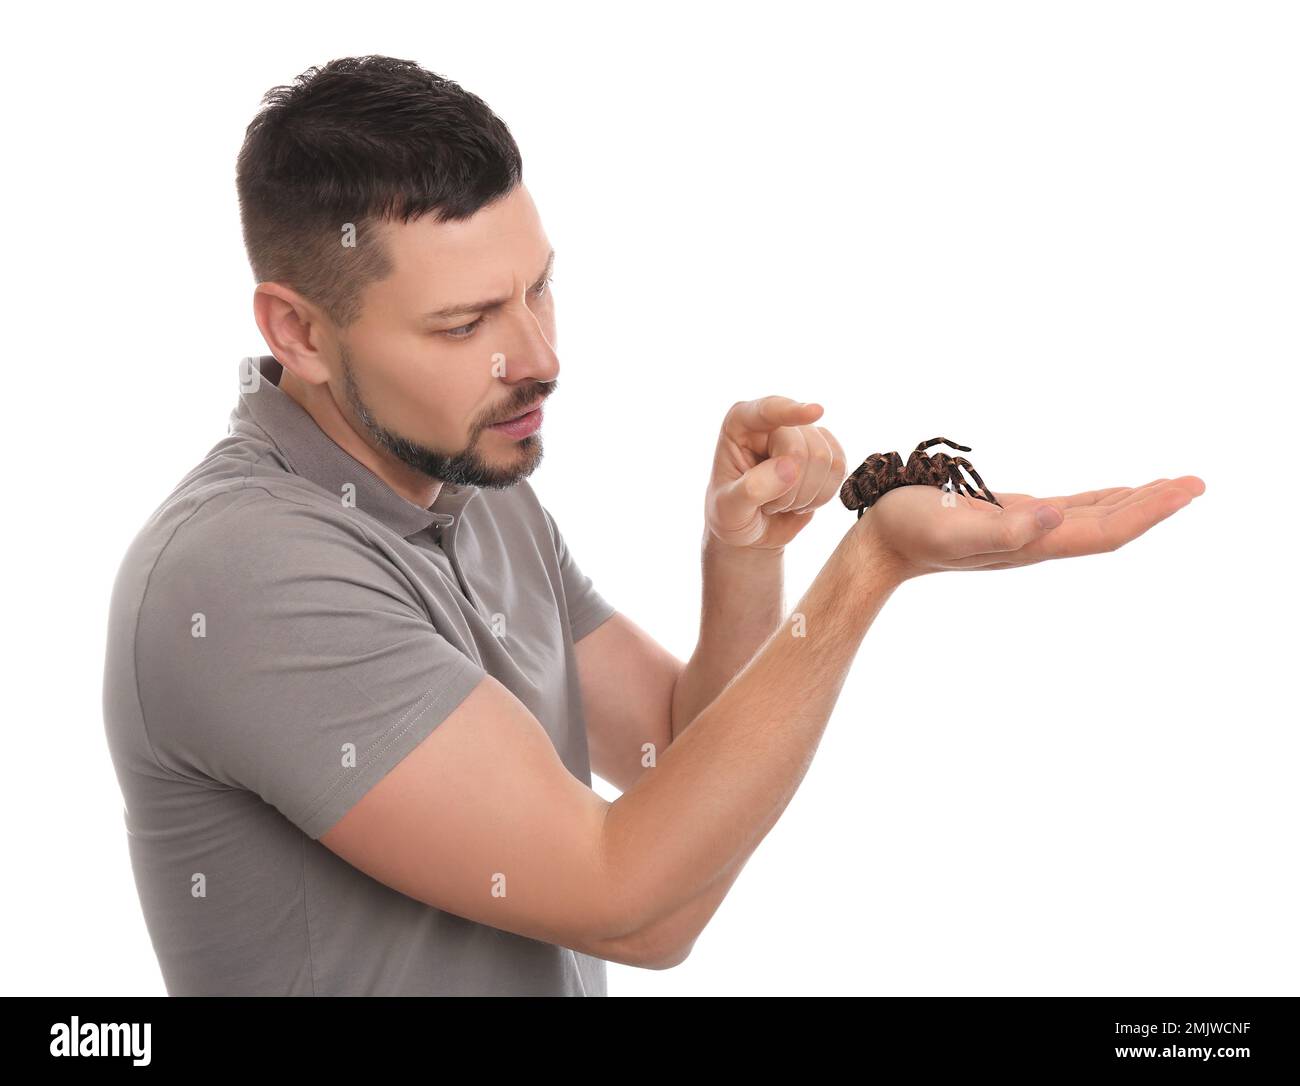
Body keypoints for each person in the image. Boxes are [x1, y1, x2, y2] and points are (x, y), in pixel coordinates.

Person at [101, 55, 1205, 996]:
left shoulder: (476, 484)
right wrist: (869, 567)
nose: (537, 357)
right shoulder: (241, 575)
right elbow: (635, 905)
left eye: (538, 289)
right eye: (464, 322)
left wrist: (746, 557)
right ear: (296, 330)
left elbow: (677, 767)